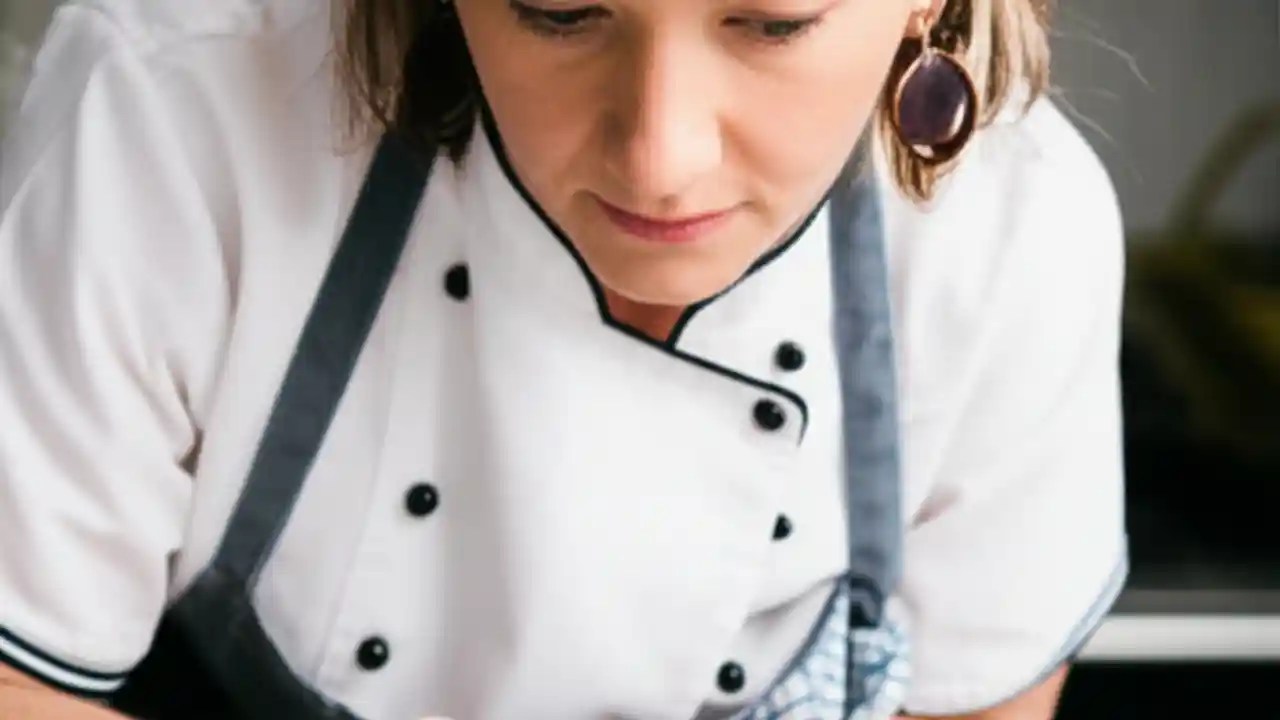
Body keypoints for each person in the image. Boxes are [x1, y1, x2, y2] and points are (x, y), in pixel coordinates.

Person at [0, 0, 1129, 718]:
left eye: (773, 22)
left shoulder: (1017, 231)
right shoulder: (174, 108)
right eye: (556, 9)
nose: (660, 158)